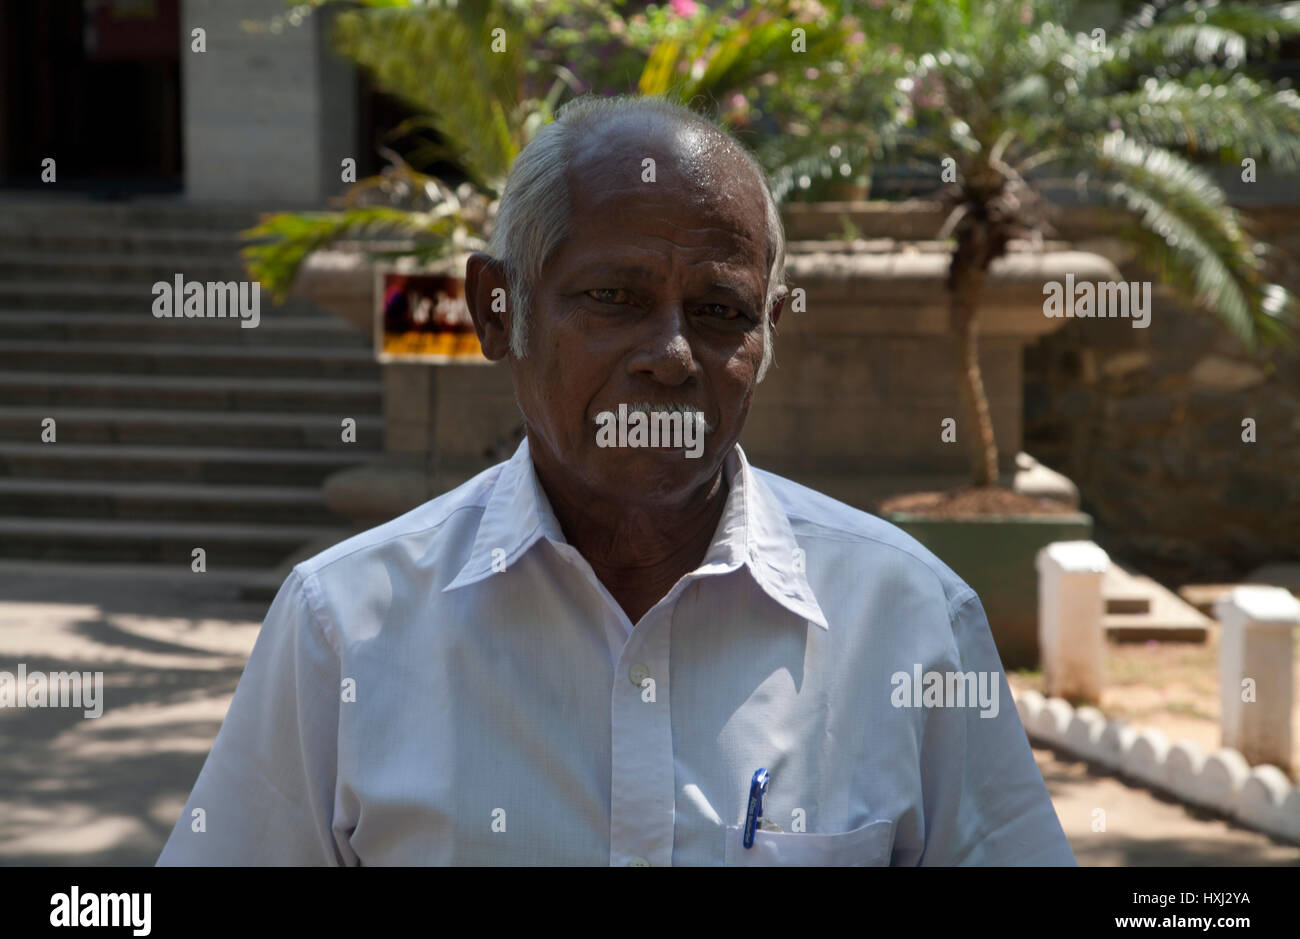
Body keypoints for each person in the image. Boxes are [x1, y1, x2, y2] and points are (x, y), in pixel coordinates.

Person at [157, 94, 1075, 866]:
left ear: (770, 335)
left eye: (720, 311)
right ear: (497, 309)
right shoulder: (341, 627)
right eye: (615, 298)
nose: (672, 357)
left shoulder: (909, 619)